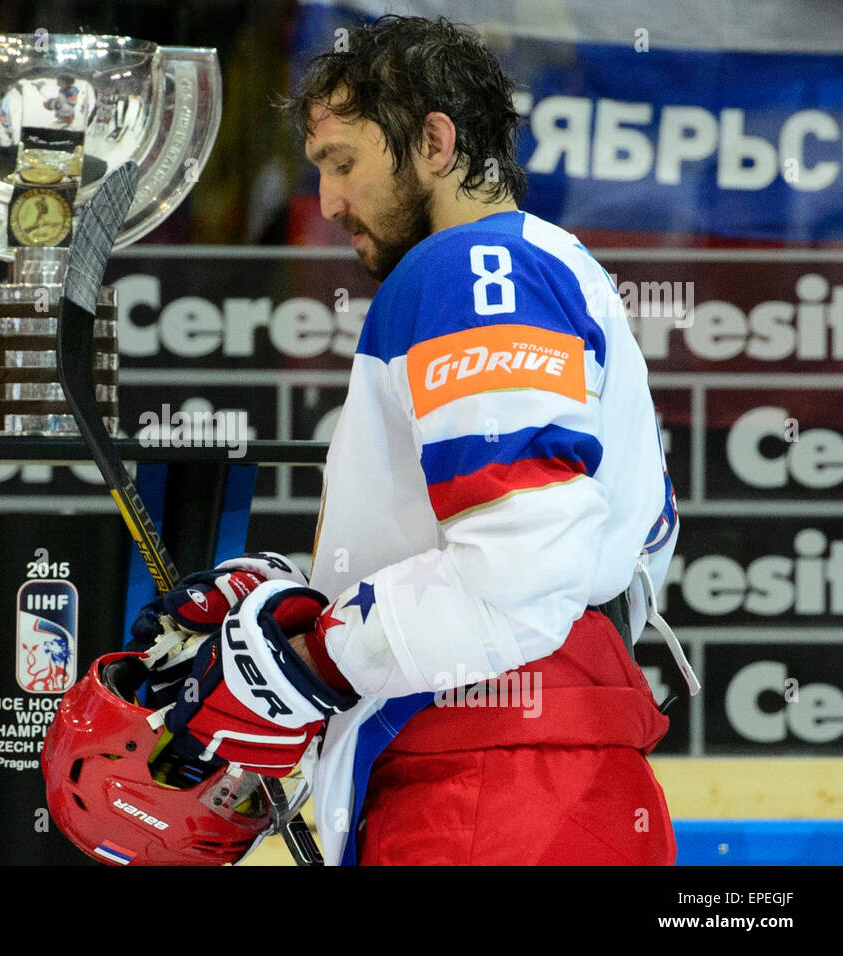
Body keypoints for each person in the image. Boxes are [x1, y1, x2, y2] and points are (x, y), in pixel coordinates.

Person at [129, 14, 686, 866]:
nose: (330, 203)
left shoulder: (470, 269)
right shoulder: (551, 266)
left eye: (343, 163)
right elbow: (543, 557)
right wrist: (314, 593)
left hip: (488, 797)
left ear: (434, 141)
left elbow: (522, 559)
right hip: (541, 785)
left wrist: (317, 656)